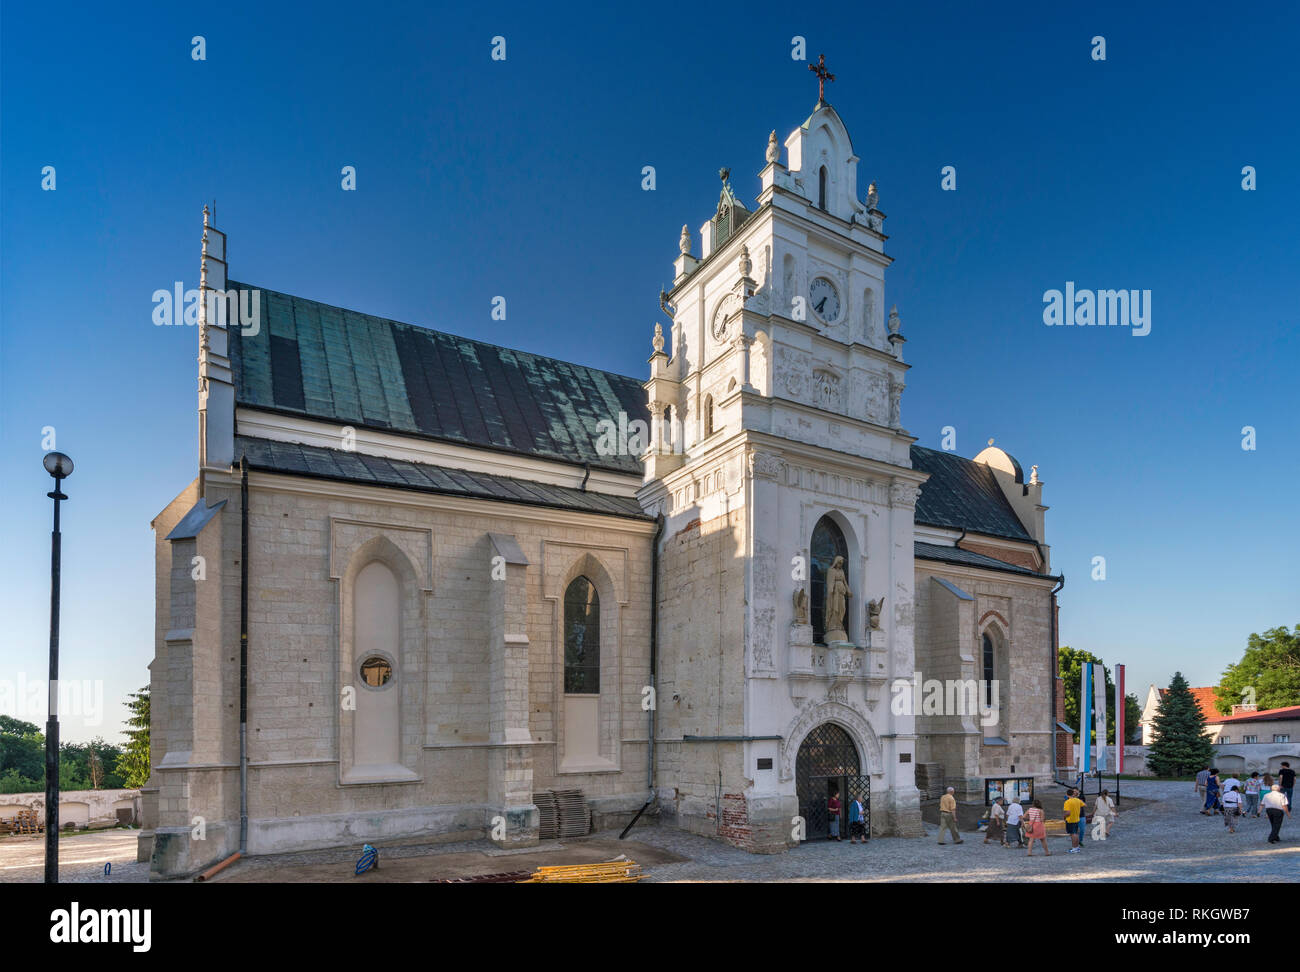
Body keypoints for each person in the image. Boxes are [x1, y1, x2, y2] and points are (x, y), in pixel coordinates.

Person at [1064, 788, 1085, 853]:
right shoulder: (1077, 800)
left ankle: (1074, 848)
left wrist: (1064, 816)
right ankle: (1077, 847)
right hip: (1077, 818)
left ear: (1067, 795)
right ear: (1073, 794)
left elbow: (1068, 813)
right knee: (1076, 833)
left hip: (1070, 820)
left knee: (1073, 834)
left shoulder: (1067, 802)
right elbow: (1084, 805)